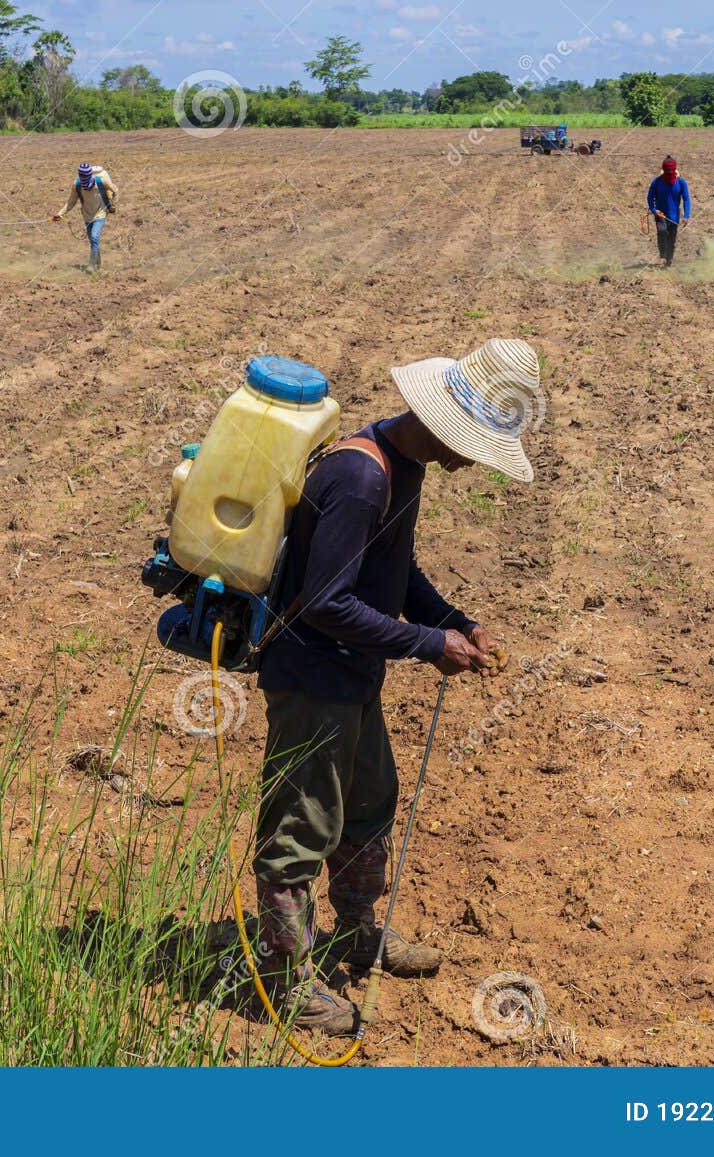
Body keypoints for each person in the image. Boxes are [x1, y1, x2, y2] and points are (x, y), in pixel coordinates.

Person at [252, 337, 540, 1036]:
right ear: (445, 423)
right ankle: (283, 976)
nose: (473, 462)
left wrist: (455, 621)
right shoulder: (361, 477)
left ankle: (353, 931)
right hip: (313, 673)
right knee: (301, 824)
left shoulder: (403, 468)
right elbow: (325, 599)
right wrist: (428, 643)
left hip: (351, 671)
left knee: (371, 796)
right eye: (474, 444)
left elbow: (396, 571)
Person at [52, 162, 118, 273]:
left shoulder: (101, 181)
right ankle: (98, 263)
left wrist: (113, 205)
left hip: (100, 213)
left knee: (94, 237)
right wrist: (60, 213)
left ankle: (91, 266)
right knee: (93, 241)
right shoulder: (77, 185)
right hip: (87, 215)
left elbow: (115, 190)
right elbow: (71, 202)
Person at [646, 155, 691, 267]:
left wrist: (686, 216)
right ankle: (662, 255)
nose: (669, 173)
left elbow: (686, 199)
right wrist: (653, 209)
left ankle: (669, 261)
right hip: (660, 215)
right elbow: (650, 197)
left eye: (671, 170)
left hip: (674, 216)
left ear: (675, 170)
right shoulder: (656, 182)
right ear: (663, 170)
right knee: (662, 231)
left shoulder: (681, 183)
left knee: (672, 240)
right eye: (667, 170)